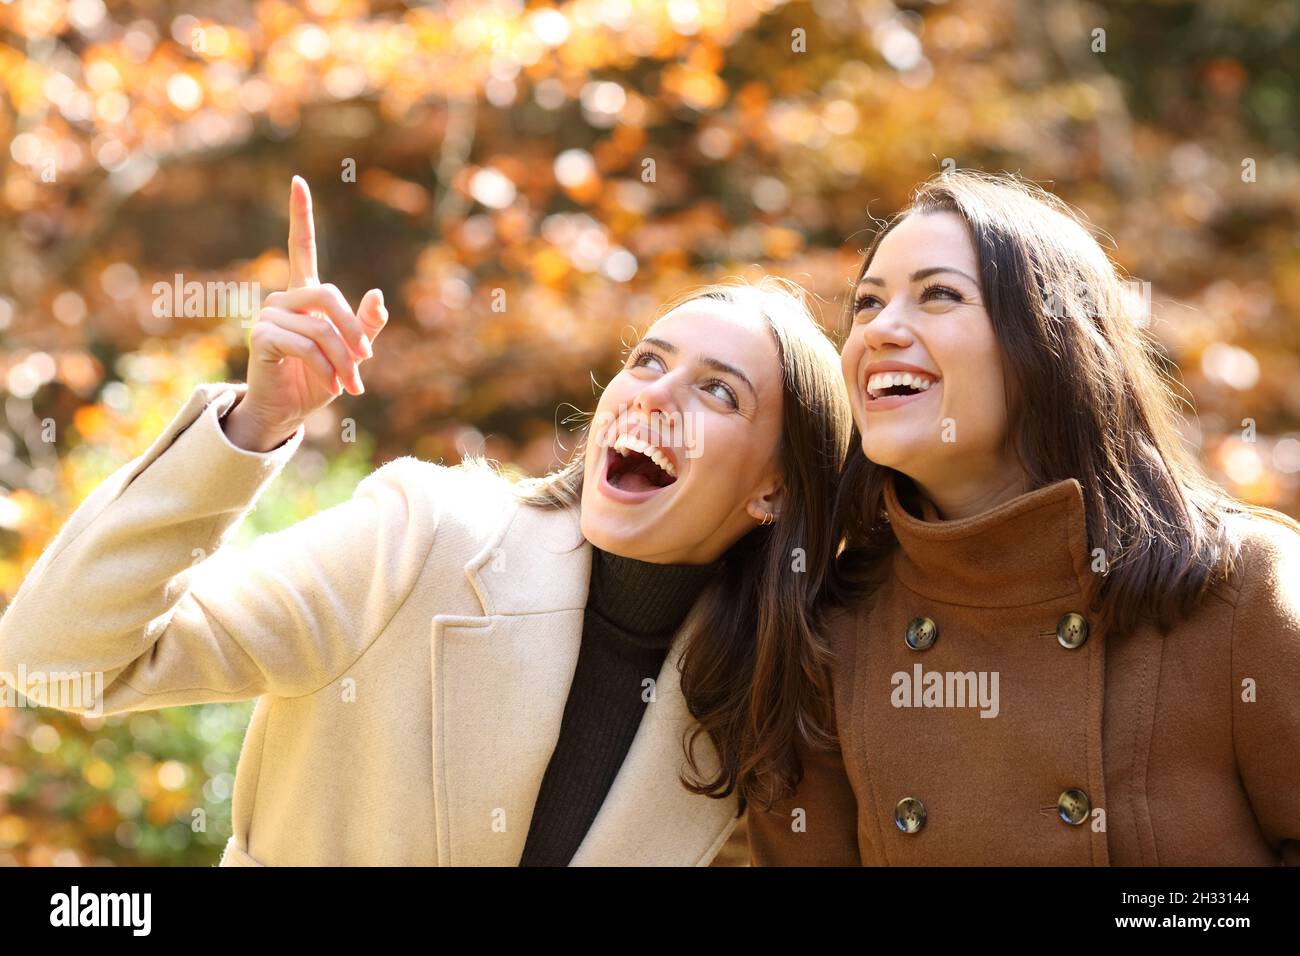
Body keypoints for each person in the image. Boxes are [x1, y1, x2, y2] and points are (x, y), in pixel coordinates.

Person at [0, 176, 852, 866]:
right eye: (648, 361)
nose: (656, 392)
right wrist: (251, 429)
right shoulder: (422, 541)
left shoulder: (752, 713)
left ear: (773, 493)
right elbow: (56, 659)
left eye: (717, 390)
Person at [747, 169, 1300, 866]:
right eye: (866, 304)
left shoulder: (1241, 589)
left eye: (939, 295)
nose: (880, 330)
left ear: (1050, 340)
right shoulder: (828, 628)